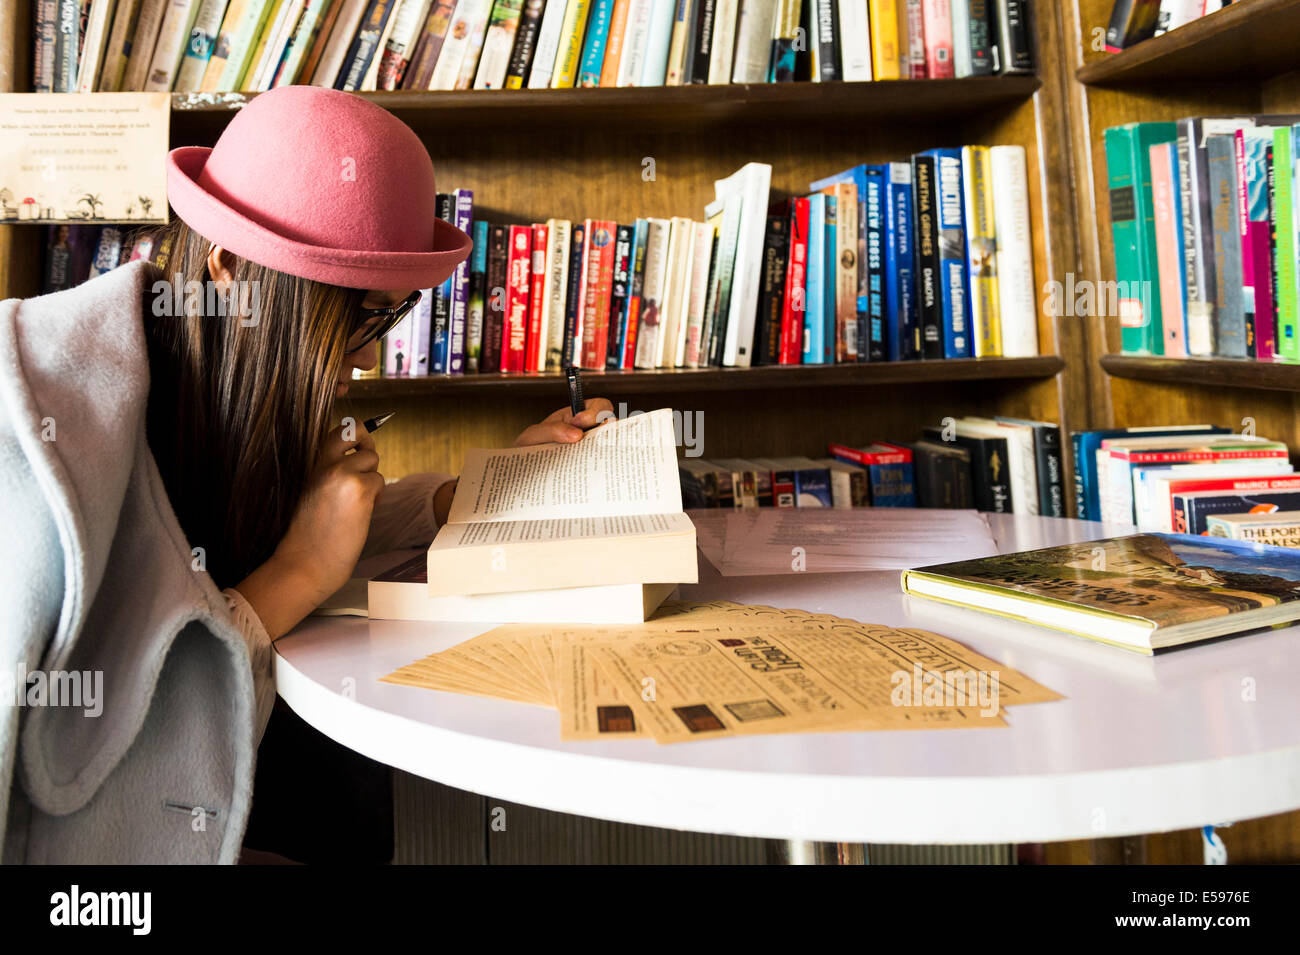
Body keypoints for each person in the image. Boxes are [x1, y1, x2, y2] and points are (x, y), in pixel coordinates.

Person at [0, 85, 609, 864]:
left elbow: (251, 527)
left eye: (387, 318)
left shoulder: (216, 369)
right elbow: (74, 760)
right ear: (231, 270)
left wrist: (479, 492)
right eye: (357, 314)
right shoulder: (41, 420)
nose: (367, 355)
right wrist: (299, 574)